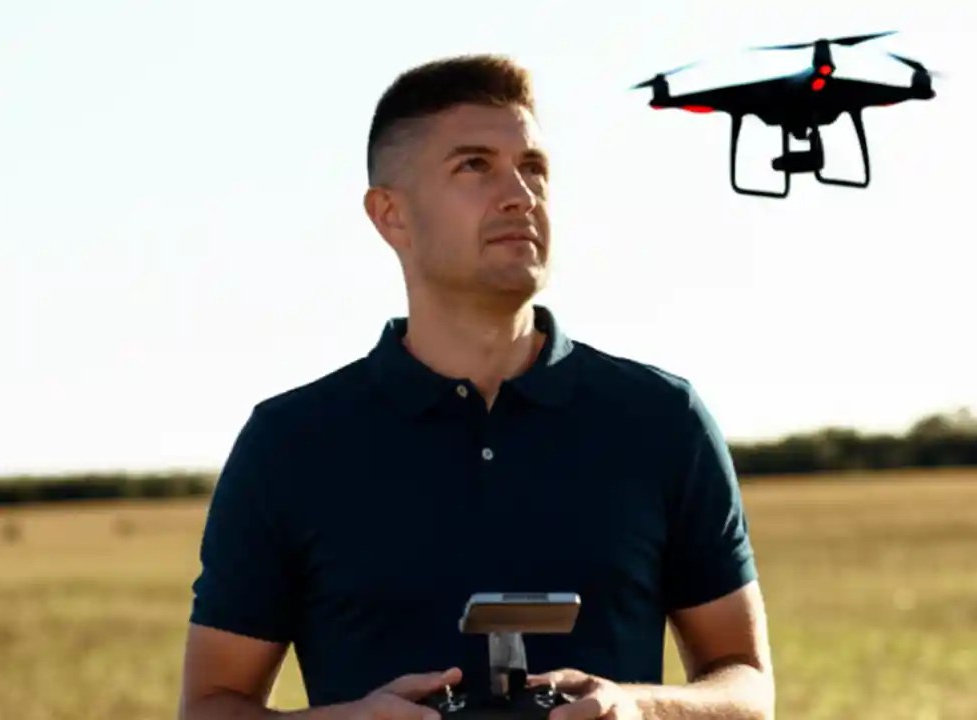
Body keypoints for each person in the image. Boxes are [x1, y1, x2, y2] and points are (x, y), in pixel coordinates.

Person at [178, 54, 775, 720]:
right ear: (391, 215)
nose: (520, 193)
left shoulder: (663, 419)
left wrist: (638, 710)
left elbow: (747, 685)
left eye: (534, 167)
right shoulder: (291, 443)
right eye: (474, 166)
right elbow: (210, 705)